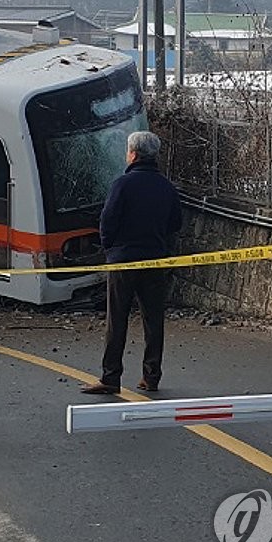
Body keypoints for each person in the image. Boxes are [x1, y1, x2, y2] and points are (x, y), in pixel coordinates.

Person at [82, 131, 183, 395]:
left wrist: (110, 249)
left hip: (123, 261)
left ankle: (111, 377)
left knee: (117, 320)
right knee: (153, 320)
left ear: (133, 154)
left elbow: (108, 222)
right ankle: (151, 377)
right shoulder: (166, 187)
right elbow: (176, 224)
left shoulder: (122, 184)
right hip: (155, 261)